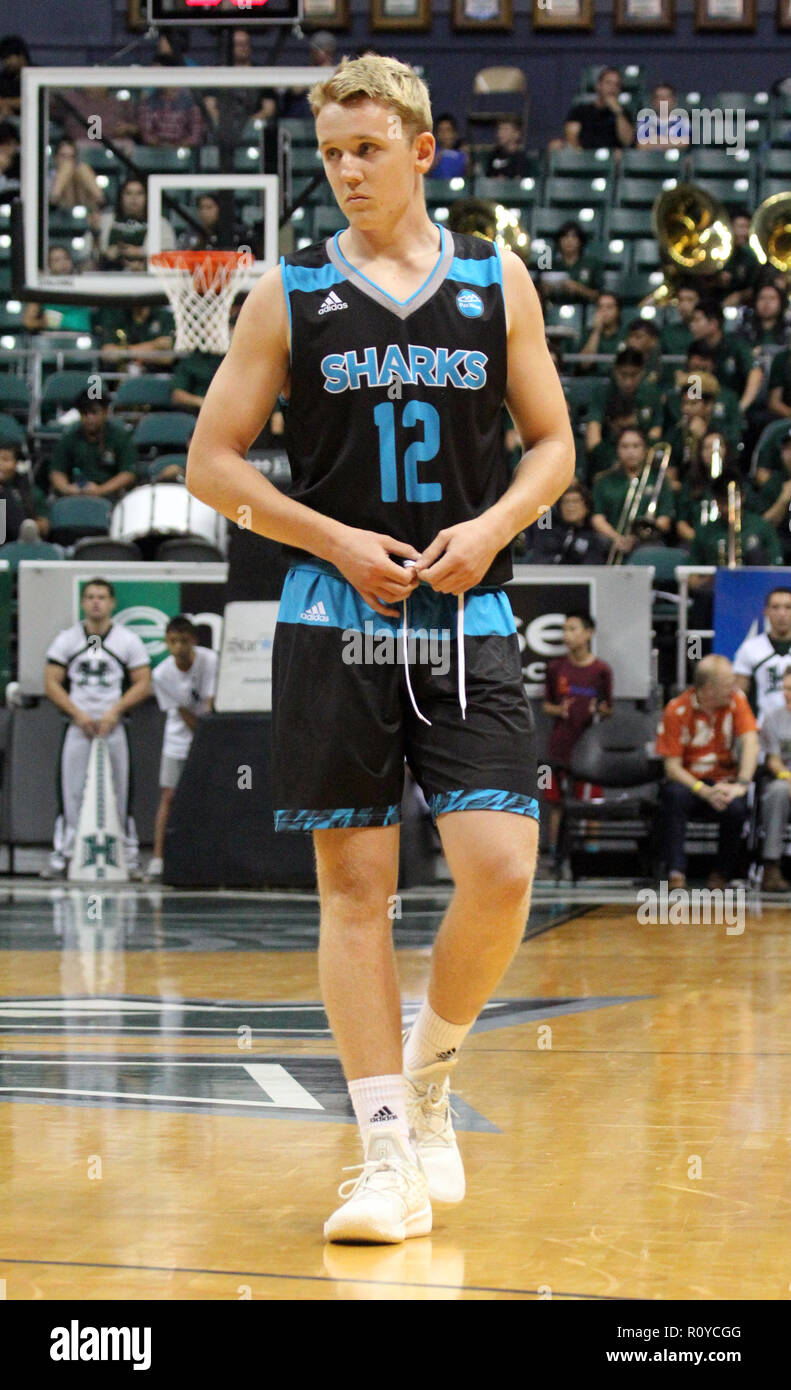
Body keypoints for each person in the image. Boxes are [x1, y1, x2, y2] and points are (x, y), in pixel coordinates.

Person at [185, 53, 574, 1244]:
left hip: (469, 615)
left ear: (420, 149)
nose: (345, 171)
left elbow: (553, 446)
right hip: (333, 618)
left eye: (365, 149)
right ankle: (383, 1155)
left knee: (500, 867)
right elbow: (214, 464)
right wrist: (333, 537)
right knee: (356, 893)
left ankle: (434, 1067)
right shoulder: (285, 295)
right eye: (330, 153)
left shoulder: (489, 279)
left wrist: (495, 525)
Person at [42, 578, 151, 879]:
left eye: (101, 597)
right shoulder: (68, 638)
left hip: (113, 724)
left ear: (112, 602)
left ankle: (129, 858)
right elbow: (50, 680)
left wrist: (115, 711)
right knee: (70, 791)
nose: (95, 602)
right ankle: (63, 855)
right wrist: (77, 713)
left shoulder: (126, 640)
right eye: (90, 597)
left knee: (120, 790)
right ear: (82, 602)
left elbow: (143, 681)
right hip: (79, 724)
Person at [656, 654, 759, 889]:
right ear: (709, 688)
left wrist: (741, 784)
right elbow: (671, 768)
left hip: (724, 780)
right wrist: (703, 791)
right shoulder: (676, 709)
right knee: (673, 796)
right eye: (728, 684)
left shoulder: (737, 700)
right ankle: (676, 872)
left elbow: (751, 742)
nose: (734, 688)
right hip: (689, 782)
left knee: (736, 807)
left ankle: (721, 872)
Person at [148, 616, 218, 882]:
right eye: (172, 641)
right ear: (166, 642)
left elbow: (209, 703)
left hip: (209, 734)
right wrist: (198, 741)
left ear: (194, 641)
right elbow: (182, 711)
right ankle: (158, 858)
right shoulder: (162, 674)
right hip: (179, 739)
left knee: (209, 798)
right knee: (169, 796)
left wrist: (207, 740)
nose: (178, 647)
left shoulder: (209, 660)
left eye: (184, 641)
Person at [542, 612, 613, 859]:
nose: (566, 635)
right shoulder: (554, 668)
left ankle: (591, 854)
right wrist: (558, 710)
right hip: (559, 747)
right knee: (556, 802)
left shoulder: (601, 670)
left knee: (591, 801)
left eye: (572, 629)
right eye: (564, 630)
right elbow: (546, 705)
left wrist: (601, 710)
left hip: (589, 749)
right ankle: (555, 853)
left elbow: (608, 708)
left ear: (588, 633)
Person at [591, 425, 674, 557]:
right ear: (617, 450)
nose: (630, 452)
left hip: (646, 542)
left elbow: (664, 520)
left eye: (636, 446)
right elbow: (597, 518)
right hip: (611, 540)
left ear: (645, 450)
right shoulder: (604, 480)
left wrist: (637, 536)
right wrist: (616, 537)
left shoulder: (659, 480)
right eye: (625, 446)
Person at [48, 392, 139, 500]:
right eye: (84, 413)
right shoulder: (70, 437)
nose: (89, 417)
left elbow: (128, 473)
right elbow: (56, 471)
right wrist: (67, 488)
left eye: (94, 412)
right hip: (76, 494)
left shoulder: (119, 437)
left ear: (105, 412)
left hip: (111, 495)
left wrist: (101, 490)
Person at [585, 349, 663, 469]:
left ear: (642, 372)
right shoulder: (602, 394)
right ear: (615, 371)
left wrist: (636, 457)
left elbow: (655, 433)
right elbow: (593, 440)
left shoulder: (652, 394)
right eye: (623, 374)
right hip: (608, 454)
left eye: (634, 375)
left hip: (643, 455)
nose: (628, 382)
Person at [689, 298, 763, 414]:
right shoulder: (694, 347)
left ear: (713, 323)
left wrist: (741, 408)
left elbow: (755, 374)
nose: (692, 325)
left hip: (733, 405)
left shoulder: (736, 345)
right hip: (705, 409)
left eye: (697, 320)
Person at [91, 178, 175, 274]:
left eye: (139, 193)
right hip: (107, 276)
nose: (134, 198)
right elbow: (90, 255)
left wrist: (140, 252)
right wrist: (107, 253)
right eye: (128, 193)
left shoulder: (161, 224)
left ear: (147, 197)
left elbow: (168, 256)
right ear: (121, 197)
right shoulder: (105, 220)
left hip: (146, 279)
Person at [733, 587, 791, 721]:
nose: (782, 614)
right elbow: (738, 696)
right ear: (766, 611)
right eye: (775, 607)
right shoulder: (750, 649)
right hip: (762, 730)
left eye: (788, 607)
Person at [758, 667, 791, 891]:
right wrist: (788, 778)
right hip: (784, 780)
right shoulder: (772, 719)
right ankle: (771, 867)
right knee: (778, 791)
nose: (787, 693)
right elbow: (773, 760)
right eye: (786, 688)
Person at [524, 481, 609, 564]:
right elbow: (538, 557)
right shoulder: (547, 531)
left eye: (575, 501)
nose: (570, 507)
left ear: (587, 507)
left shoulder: (594, 538)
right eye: (566, 502)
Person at [562, 66, 634, 151]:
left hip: (614, 161)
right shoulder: (581, 110)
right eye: (608, 83)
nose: (612, 88)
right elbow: (571, 137)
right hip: (584, 157)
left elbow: (627, 141)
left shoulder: (624, 113)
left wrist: (618, 112)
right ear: (598, 86)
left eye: (617, 85)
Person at [537, 221, 602, 307]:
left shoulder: (592, 264)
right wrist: (545, 290)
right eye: (565, 236)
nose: (569, 240)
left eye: (573, 236)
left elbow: (600, 296)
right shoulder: (549, 266)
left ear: (580, 241)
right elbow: (536, 293)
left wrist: (578, 289)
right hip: (553, 310)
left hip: (585, 310)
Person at [0, 440, 49, 541]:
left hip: (19, 542)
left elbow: (44, 525)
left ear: (16, 463)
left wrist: (32, 526)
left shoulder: (29, 490)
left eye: (5, 459)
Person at [138, 82, 204, 148]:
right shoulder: (149, 103)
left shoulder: (190, 104)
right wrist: (160, 144)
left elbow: (196, 133)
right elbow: (146, 133)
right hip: (154, 150)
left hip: (184, 151)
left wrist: (181, 144)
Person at [48, 138, 103, 213]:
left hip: (84, 209)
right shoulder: (48, 177)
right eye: (63, 156)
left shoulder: (81, 173)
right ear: (55, 158)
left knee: (83, 168)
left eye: (71, 157)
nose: (67, 161)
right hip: (56, 212)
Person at [579, 291, 623, 365]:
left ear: (618, 311)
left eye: (609, 307)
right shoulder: (587, 335)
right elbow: (585, 364)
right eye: (600, 307)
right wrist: (596, 330)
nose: (604, 311)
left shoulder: (626, 334)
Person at [428, 113, 468, 179]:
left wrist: (467, 159)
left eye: (448, 130)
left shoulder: (461, 153)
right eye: (441, 131)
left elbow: (469, 176)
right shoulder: (431, 152)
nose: (445, 134)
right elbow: (423, 176)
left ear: (455, 133)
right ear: (436, 135)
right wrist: (435, 162)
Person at [0, 35, 30, 119]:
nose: (5, 62)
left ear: (21, 56)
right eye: (3, 59)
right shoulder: (3, 78)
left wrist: (6, 102)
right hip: (10, 122)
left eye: (8, 58)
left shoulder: (37, 76)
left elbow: (33, 102)